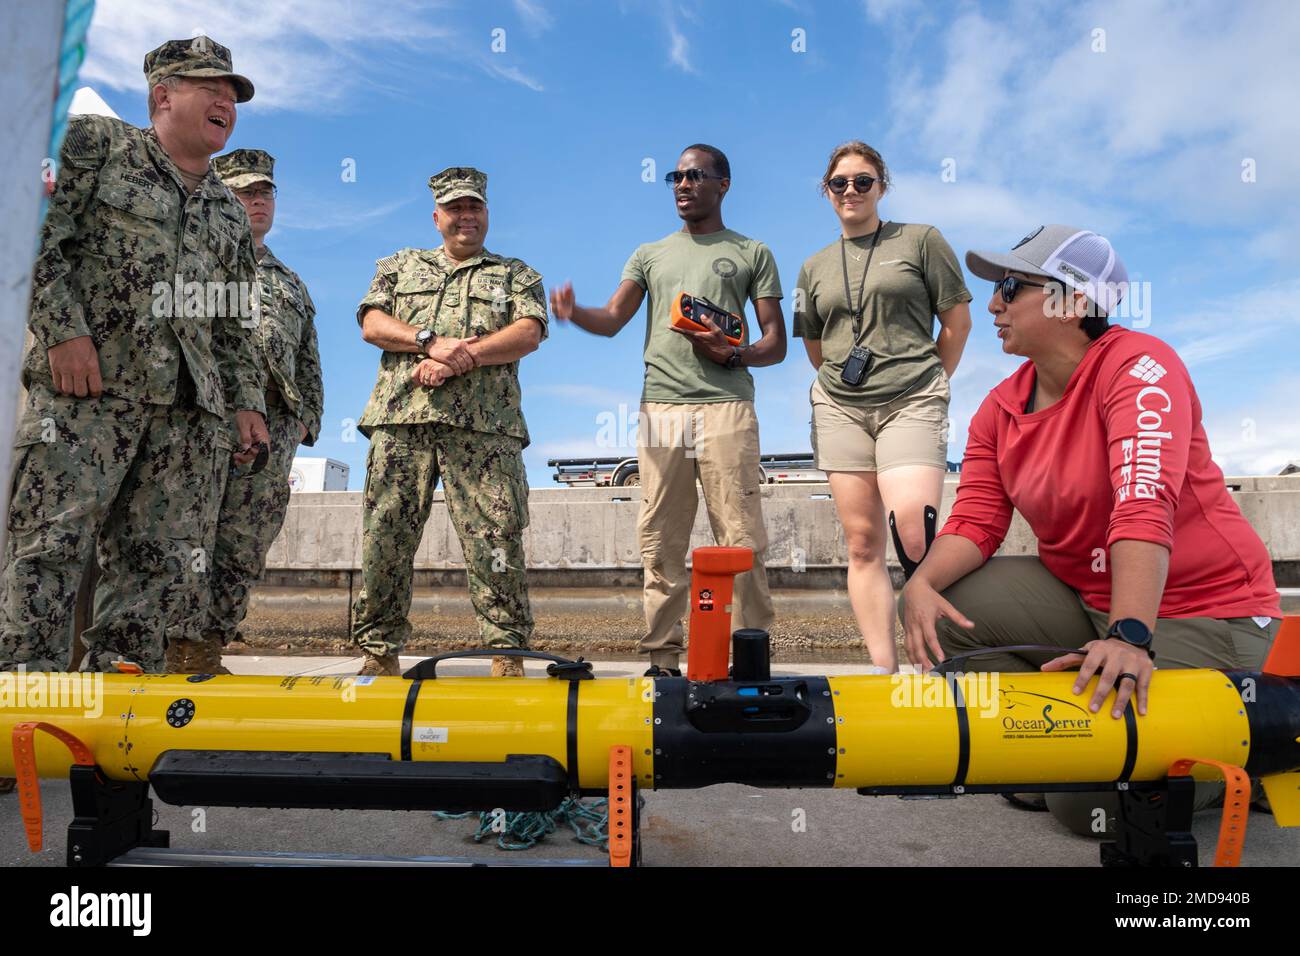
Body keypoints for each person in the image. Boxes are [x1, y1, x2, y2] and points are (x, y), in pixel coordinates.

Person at [898, 224, 1282, 831]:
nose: (992, 304)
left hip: (1204, 612)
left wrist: (1130, 636)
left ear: (1073, 302)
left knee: (1090, 808)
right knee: (949, 600)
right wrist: (919, 585)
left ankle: (1262, 753)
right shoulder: (1000, 405)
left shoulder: (1140, 368)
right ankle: (1057, 748)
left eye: (1009, 286)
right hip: (1087, 601)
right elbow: (976, 519)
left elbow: (1142, 503)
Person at [0, 36, 268, 675]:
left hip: (184, 414)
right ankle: (19, 721)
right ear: (162, 95)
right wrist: (64, 332)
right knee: (49, 549)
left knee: (156, 568)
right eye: (212, 89)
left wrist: (245, 403)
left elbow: (232, 321)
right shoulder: (95, 146)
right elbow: (34, 233)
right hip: (88, 394)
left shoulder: (228, 210)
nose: (226, 103)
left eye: (233, 95)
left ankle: (114, 738)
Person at [550, 144, 786, 677]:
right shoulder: (648, 253)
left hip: (728, 407)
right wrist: (572, 312)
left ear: (723, 184)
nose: (682, 184)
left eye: (695, 175)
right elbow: (612, 318)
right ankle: (662, 660)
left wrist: (732, 352)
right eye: (675, 176)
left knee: (741, 536)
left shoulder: (753, 252)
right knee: (660, 537)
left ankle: (750, 656)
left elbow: (776, 343)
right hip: (662, 409)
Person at [351, 167, 546, 677]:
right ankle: (378, 651)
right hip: (401, 422)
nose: (466, 215)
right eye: (455, 208)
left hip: (486, 429)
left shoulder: (515, 275)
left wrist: (462, 356)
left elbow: (527, 333)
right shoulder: (398, 266)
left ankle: (506, 651)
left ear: (486, 214)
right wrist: (428, 342)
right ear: (437, 216)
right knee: (385, 534)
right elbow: (372, 324)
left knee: (496, 537)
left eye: (474, 207)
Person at [793, 141, 972, 673]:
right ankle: (885, 671)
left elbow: (957, 323)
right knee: (864, 541)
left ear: (882, 187)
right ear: (826, 193)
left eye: (863, 181)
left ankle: (930, 663)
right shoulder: (813, 266)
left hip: (912, 396)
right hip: (841, 406)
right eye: (840, 183)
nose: (851, 191)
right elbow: (814, 345)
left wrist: (930, 379)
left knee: (913, 526)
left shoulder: (921, 241)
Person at [166, 149, 324, 673]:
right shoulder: (192, 258)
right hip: (202, 419)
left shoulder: (291, 281)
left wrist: (305, 422)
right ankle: (167, 647)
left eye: (264, 193)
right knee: (183, 534)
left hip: (271, 435)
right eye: (243, 192)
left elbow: (309, 362)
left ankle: (208, 647)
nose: (256, 202)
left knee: (244, 542)